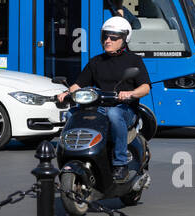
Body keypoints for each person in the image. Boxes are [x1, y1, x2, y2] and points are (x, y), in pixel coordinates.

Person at [57, 17, 152, 182]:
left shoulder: (133, 60)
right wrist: (66, 93)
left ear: (124, 39)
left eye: (113, 37)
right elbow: (79, 83)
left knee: (114, 114)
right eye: (105, 37)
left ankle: (120, 163)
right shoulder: (96, 61)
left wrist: (130, 93)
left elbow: (145, 87)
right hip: (99, 107)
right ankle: (73, 156)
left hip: (125, 109)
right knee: (71, 115)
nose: (108, 40)